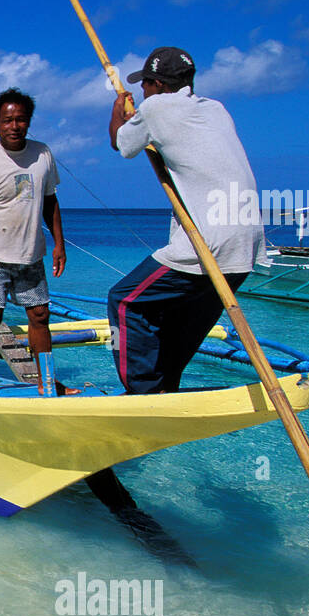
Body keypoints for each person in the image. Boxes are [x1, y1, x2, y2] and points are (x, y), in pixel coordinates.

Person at [106, 46, 265, 394]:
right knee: (183, 321)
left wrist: (119, 111)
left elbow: (121, 144)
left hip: (209, 241)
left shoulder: (155, 107)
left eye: (146, 84)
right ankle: (168, 388)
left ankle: (143, 392)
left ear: (158, 84)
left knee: (125, 300)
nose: (143, 90)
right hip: (248, 242)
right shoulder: (217, 109)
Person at [0, 89, 69, 397]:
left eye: (21, 119)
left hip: (31, 255)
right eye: (7, 120)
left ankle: (46, 382)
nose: (14, 126)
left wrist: (59, 243)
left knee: (40, 317)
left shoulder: (43, 154)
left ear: (28, 122)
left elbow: (50, 202)